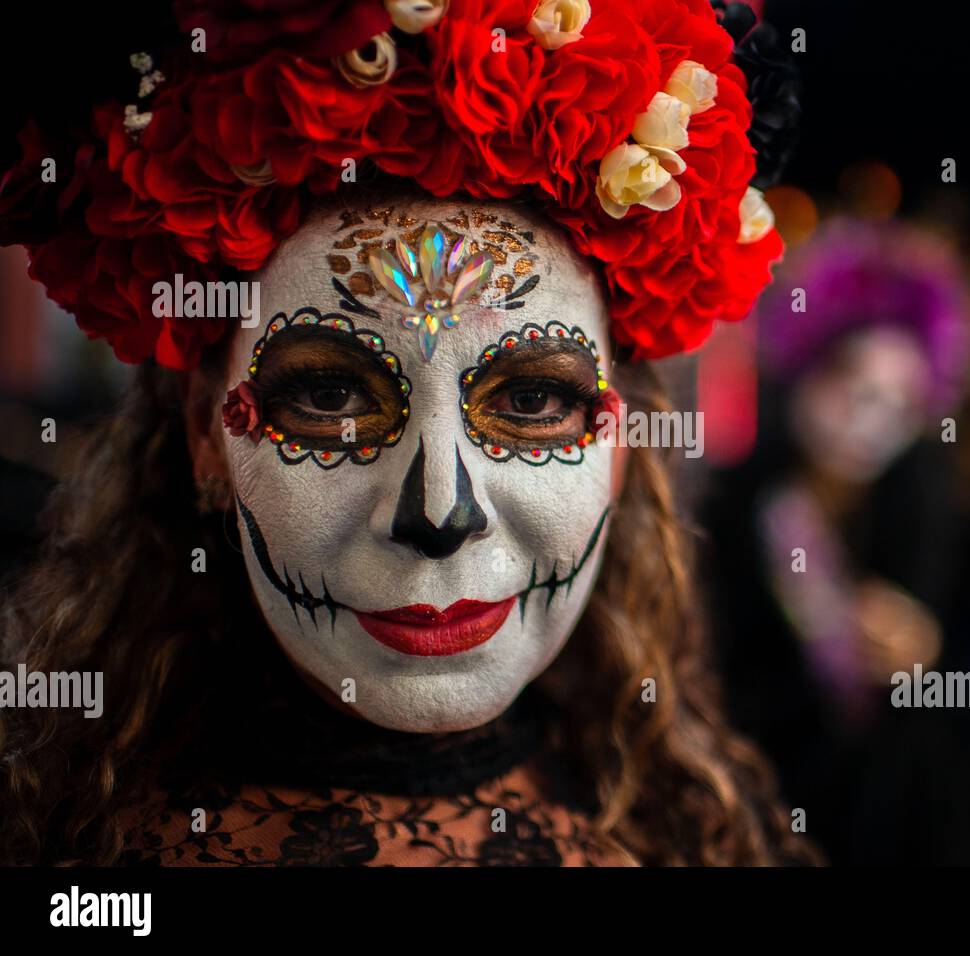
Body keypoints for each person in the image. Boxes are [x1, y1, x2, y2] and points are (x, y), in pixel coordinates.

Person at [0, 0, 812, 866]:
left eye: (533, 402)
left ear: (618, 444)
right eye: (327, 393)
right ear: (208, 432)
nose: (438, 511)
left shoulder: (684, 831)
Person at [703, 217, 970, 862]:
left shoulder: (923, 514)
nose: (866, 419)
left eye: (895, 403)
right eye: (849, 383)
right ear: (805, 368)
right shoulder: (737, 508)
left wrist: (926, 656)